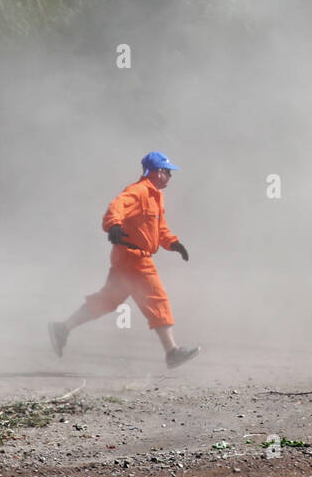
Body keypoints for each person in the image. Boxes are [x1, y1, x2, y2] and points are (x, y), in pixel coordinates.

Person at [48, 151, 200, 369]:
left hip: (126, 258)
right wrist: (114, 225)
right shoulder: (138, 191)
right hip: (134, 258)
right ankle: (172, 351)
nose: (170, 176)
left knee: (108, 300)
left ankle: (62, 328)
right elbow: (115, 207)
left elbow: (160, 229)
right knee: (158, 299)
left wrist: (173, 244)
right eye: (167, 172)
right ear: (157, 172)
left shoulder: (156, 196)